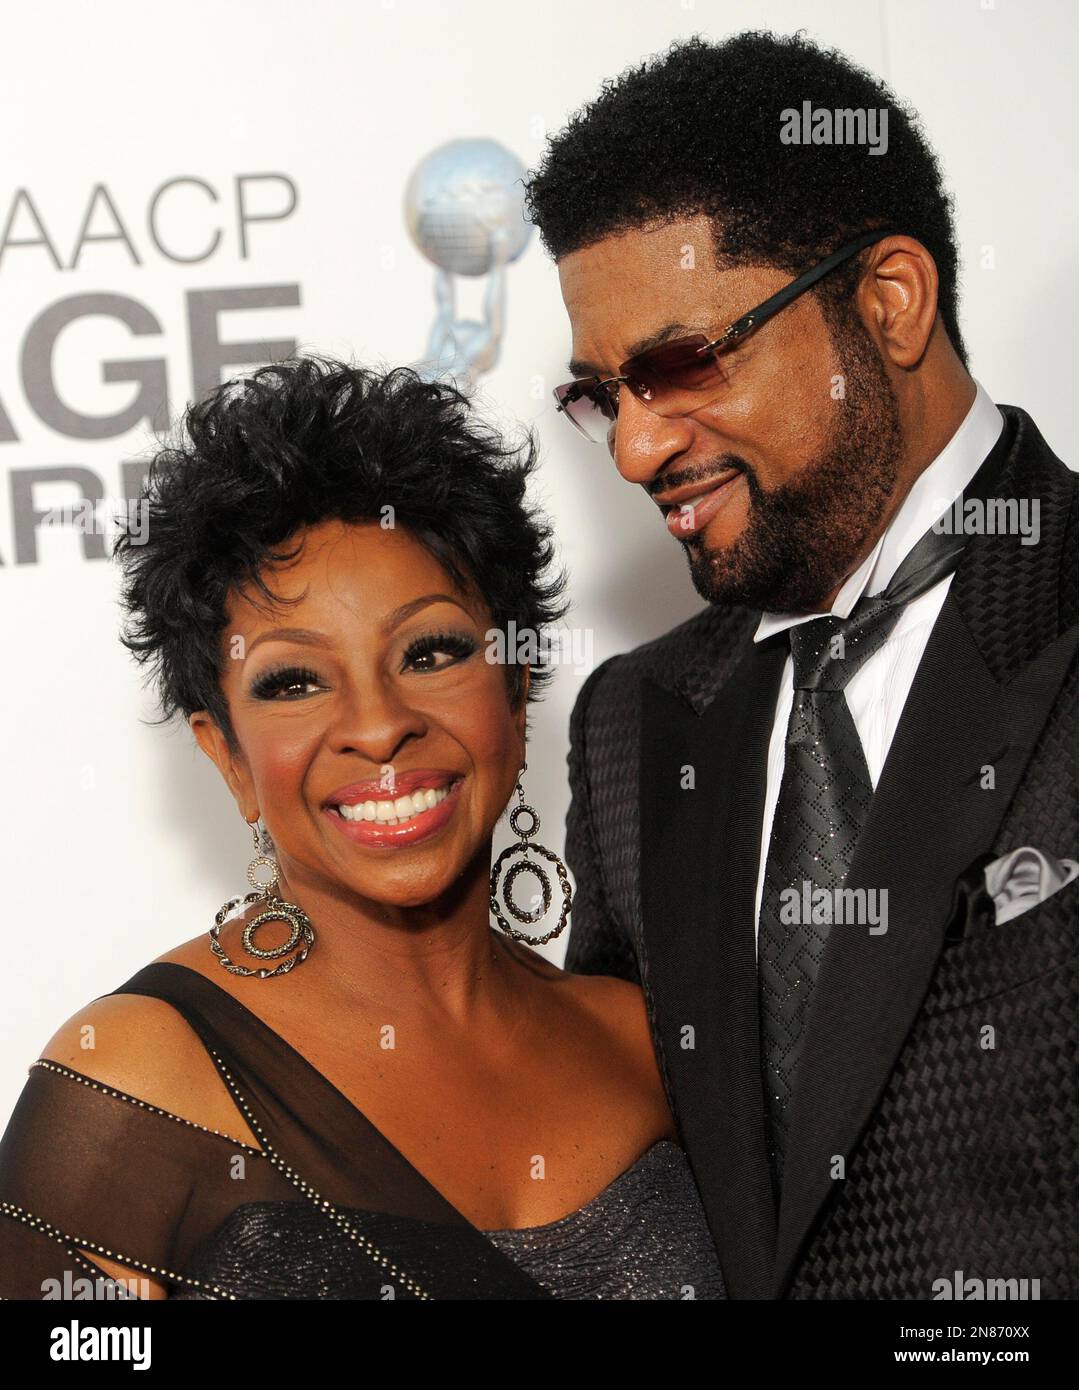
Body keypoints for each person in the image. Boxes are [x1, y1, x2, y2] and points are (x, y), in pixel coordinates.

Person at [523, 31, 1079, 1298]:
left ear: (885, 300)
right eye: (603, 396)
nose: (632, 449)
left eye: (675, 366)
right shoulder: (633, 723)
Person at [0, 357, 725, 1300]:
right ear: (226, 756)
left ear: (515, 687)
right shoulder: (140, 1076)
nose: (379, 725)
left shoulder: (637, 1040)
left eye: (430, 652)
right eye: (292, 682)